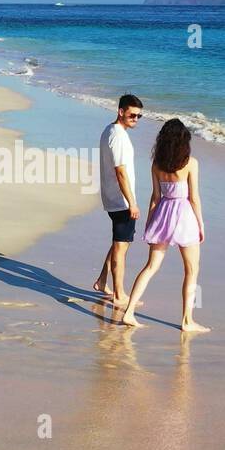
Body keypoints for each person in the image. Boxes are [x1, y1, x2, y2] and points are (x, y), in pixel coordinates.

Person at [120, 118, 210, 332]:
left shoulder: (156, 164)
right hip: (184, 217)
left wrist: (151, 222)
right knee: (192, 270)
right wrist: (201, 224)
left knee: (150, 267)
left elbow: (155, 197)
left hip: (163, 214)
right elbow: (194, 198)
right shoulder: (191, 163)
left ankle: (129, 311)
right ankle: (187, 320)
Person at [93, 94, 143, 305]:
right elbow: (120, 171)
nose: (136, 119)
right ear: (121, 111)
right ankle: (119, 293)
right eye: (132, 115)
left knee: (119, 244)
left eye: (139, 116)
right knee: (121, 247)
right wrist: (131, 202)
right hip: (121, 200)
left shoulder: (110, 131)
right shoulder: (118, 136)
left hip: (114, 197)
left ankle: (102, 281)